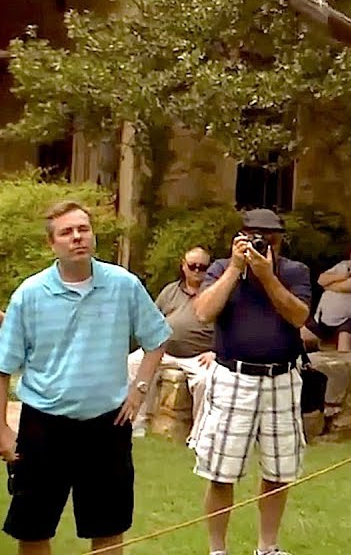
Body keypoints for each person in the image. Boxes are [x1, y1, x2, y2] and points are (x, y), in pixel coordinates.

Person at [0, 201, 171, 555]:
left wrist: (138, 391)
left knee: (108, 527)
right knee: (33, 529)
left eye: (83, 229)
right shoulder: (29, 296)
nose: (77, 237)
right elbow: (3, 367)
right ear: (53, 244)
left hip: (107, 426)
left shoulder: (124, 285)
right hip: (43, 427)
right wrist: (1, 429)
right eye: (67, 232)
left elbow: (157, 338)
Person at [191, 208, 311, 555]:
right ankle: (217, 551)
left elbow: (299, 315)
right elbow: (203, 311)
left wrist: (267, 275)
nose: (261, 242)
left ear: (280, 239)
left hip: (281, 379)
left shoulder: (294, 272)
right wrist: (235, 268)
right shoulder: (221, 269)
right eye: (254, 235)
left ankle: (267, 547)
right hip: (234, 378)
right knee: (221, 472)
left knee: (279, 469)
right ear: (240, 237)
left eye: (269, 236)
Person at [127, 246, 217, 440]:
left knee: (207, 381)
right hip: (163, 351)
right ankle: (135, 424)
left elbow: (230, 329)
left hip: (199, 356)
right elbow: (153, 318)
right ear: (183, 266)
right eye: (192, 266)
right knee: (132, 363)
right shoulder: (170, 291)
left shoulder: (217, 294)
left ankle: (198, 437)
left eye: (202, 267)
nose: (196, 271)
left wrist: (215, 352)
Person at [303, 239, 351, 352]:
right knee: (300, 335)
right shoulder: (343, 265)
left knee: (345, 333)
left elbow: (344, 287)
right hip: (327, 318)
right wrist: (340, 276)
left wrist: (328, 285)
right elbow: (321, 280)